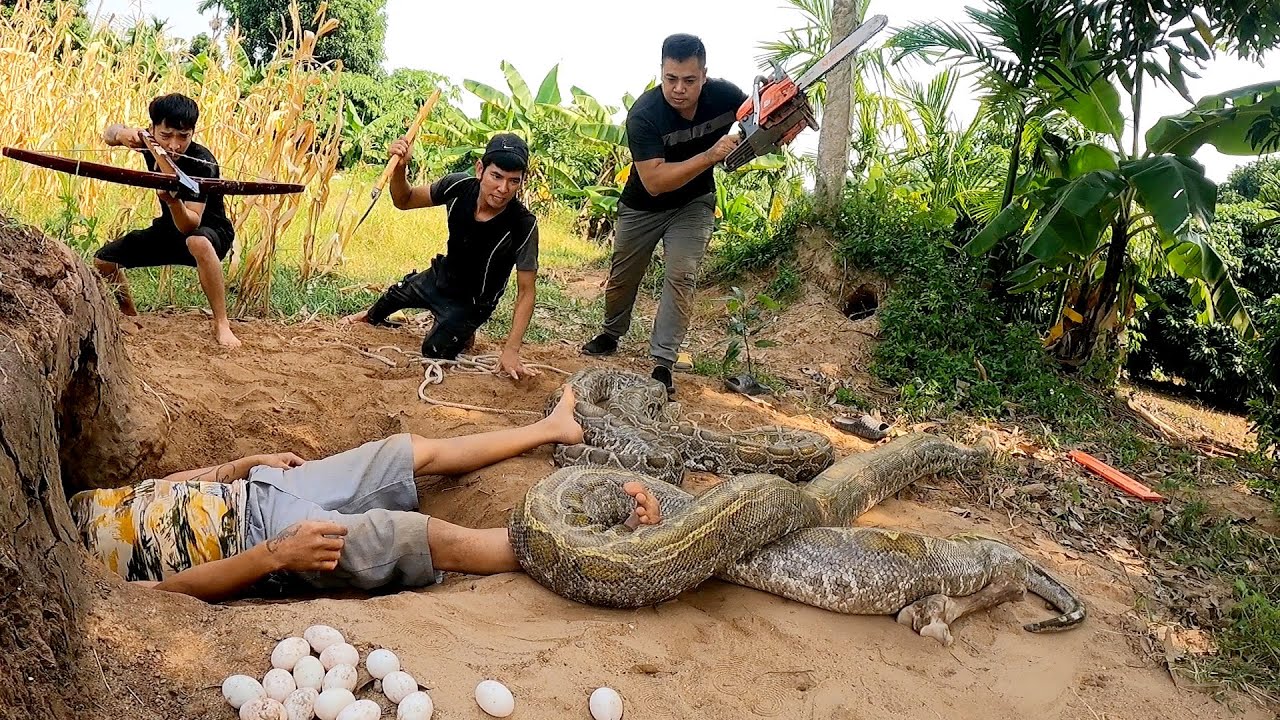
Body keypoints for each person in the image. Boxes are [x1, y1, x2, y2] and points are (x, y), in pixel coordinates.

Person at [68, 387, 661, 603]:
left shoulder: (70, 506)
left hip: (264, 490)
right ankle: (594, 542)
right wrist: (278, 556)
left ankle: (553, 429)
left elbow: (157, 490)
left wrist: (240, 464)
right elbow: (166, 592)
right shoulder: (76, 575)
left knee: (407, 452)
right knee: (417, 539)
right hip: (262, 544)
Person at [581, 33, 748, 397]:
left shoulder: (728, 97)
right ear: (661, 72)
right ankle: (611, 333)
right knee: (624, 277)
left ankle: (662, 362)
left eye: (689, 80)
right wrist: (709, 156)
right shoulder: (644, 114)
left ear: (705, 75)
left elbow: (761, 121)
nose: (679, 89)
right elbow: (654, 182)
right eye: (671, 78)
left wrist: (779, 110)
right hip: (643, 206)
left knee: (681, 274)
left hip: (694, 204)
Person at [344, 133, 541, 380]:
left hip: (472, 302)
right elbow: (404, 201)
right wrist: (400, 168)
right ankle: (369, 315)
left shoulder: (524, 224)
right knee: (390, 299)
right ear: (480, 169)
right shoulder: (457, 186)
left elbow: (526, 292)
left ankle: (463, 328)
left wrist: (511, 351)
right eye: (496, 176)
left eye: (513, 181)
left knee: (433, 351)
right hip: (440, 277)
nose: (503, 189)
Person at [94, 93, 241, 348]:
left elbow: (190, 224)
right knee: (104, 260)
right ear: (153, 129)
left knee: (197, 241)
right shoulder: (150, 143)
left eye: (183, 136)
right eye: (166, 135)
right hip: (169, 229)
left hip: (210, 231)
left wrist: (173, 201)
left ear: (192, 132)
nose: (174, 145)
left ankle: (222, 323)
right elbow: (109, 134)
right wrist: (122, 134)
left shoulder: (203, 163)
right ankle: (130, 315)